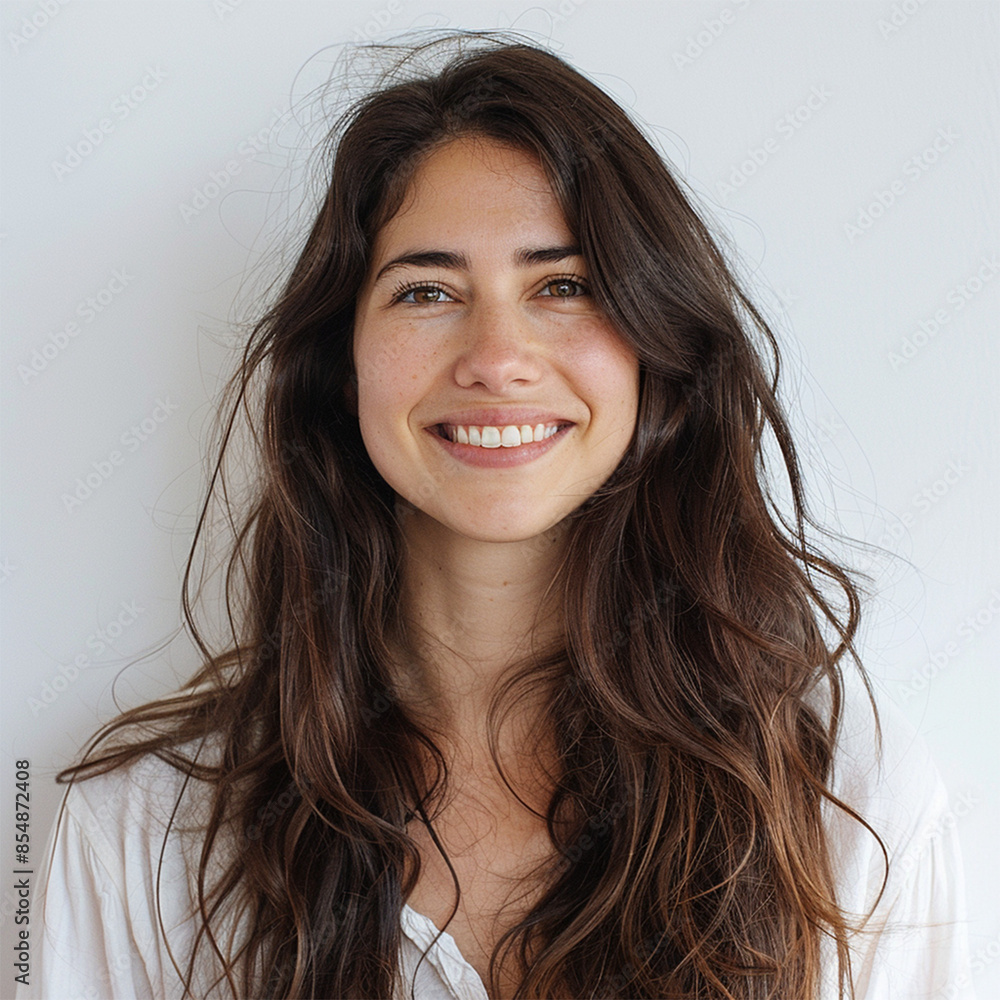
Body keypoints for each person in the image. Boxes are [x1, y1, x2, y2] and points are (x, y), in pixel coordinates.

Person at [22, 31, 974, 1000]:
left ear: (655, 348)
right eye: (427, 291)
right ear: (342, 366)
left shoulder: (845, 800)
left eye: (562, 286)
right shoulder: (141, 834)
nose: (496, 357)